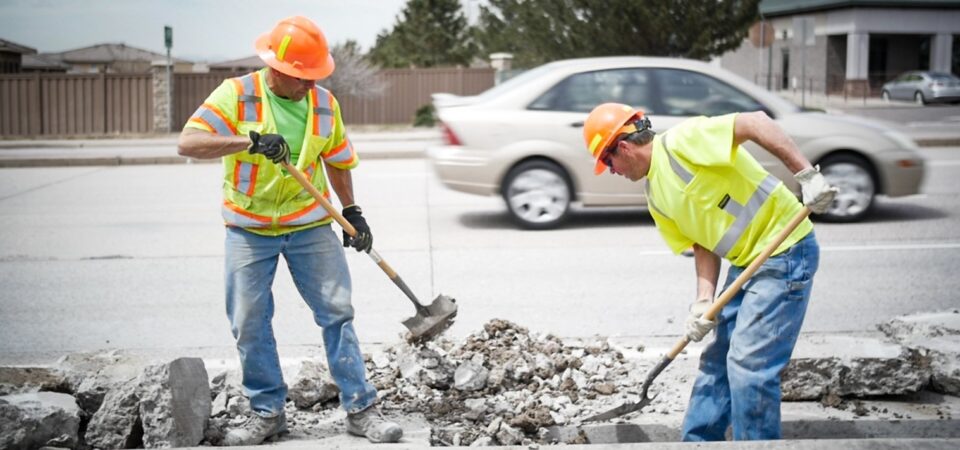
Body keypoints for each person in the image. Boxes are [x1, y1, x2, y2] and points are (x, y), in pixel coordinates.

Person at [177, 16, 402, 446]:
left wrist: (353, 211)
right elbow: (188, 142)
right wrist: (248, 141)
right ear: (278, 69)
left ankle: (361, 409)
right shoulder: (237, 94)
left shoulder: (323, 103)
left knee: (338, 313)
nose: (309, 86)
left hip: (310, 224)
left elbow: (337, 158)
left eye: (315, 77)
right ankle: (268, 414)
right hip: (249, 229)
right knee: (250, 321)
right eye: (303, 78)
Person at [582, 103, 837, 441]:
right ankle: (699, 443)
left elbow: (756, 123)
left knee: (750, 366)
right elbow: (703, 244)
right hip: (747, 263)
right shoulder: (656, 196)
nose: (610, 171)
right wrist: (703, 303)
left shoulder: (683, 143)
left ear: (624, 147)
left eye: (607, 161)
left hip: (784, 251)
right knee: (716, 361)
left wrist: (806, 175)